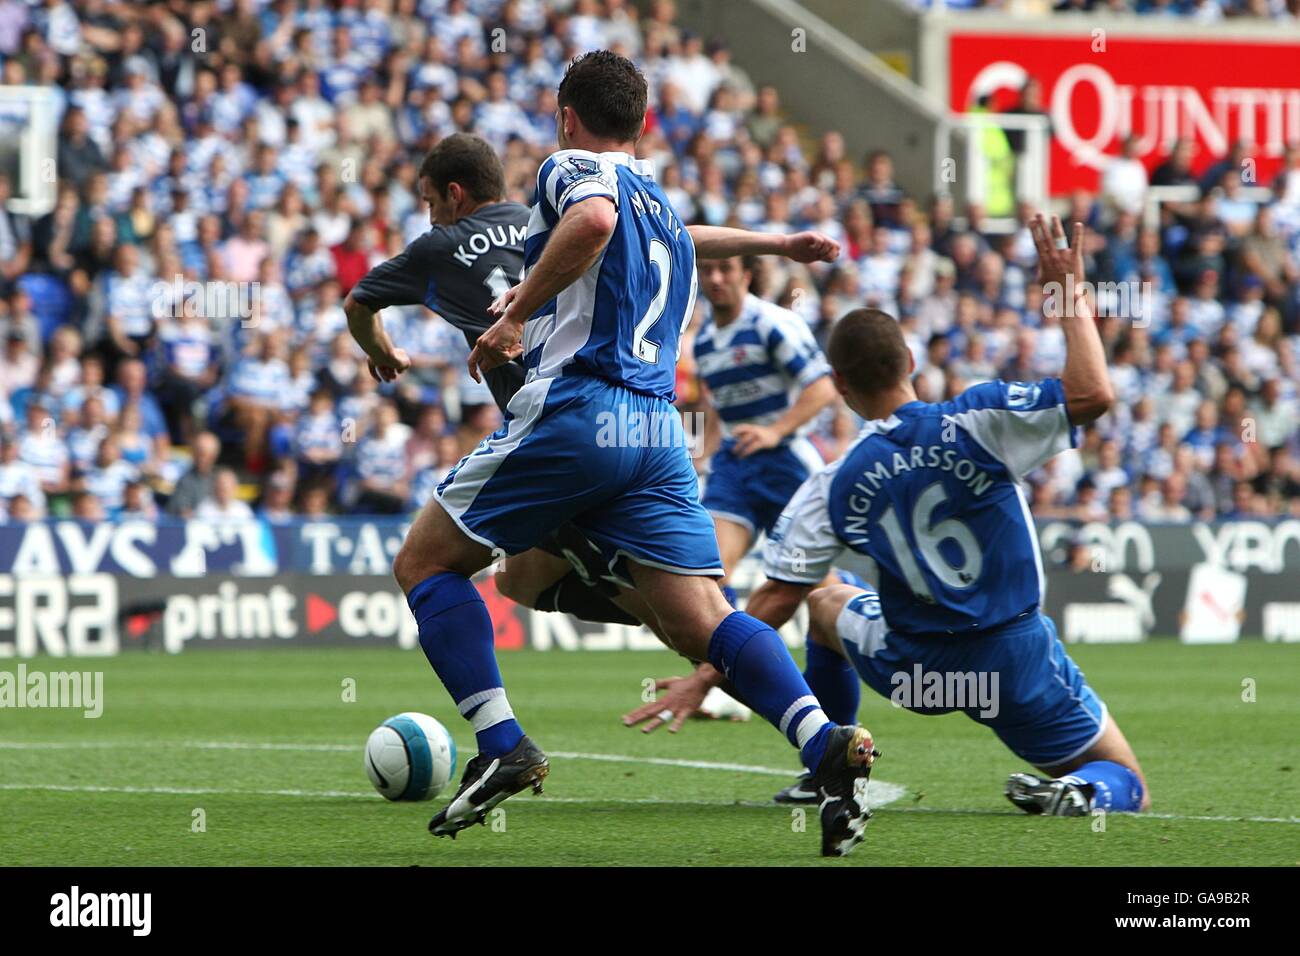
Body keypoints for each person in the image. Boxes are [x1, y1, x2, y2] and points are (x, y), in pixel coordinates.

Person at [350, 51, 876, 857]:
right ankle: (822, 741)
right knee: (702, 619)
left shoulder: (570, 168)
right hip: (657, 430)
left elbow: (592, 222)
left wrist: (515, 314)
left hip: (582, 408)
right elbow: (668, 235)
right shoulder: (657, 204)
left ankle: (502, 744)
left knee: (425, 562)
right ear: (642, 123)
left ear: (567, 117)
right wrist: (775, 241)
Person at [628, 216, 1150, 818]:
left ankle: (828, 768)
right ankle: (1085, 791)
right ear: (910, 359)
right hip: (1012, 660)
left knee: (827, 604)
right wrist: (1071, 295)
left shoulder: (834, 481)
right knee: (1126, 780)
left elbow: (776, 599)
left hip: (914, 670)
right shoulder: (979, 420)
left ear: (841, 386)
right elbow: (1093, 395)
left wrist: (705, 676)